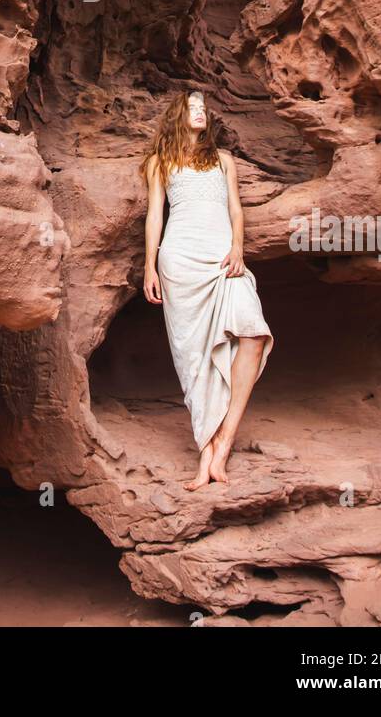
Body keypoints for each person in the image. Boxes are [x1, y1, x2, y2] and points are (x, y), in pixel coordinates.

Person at [142, 89, 273, 488]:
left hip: (221, 258)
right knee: (195, 357)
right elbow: (154, 217)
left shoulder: (224, 160)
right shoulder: (158, 162)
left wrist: (238, 247)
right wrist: (151, 266)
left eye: (203, 108)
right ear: (178, 115)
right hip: (179, 260)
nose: (200, 113)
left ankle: (225, 441)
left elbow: (235, 208)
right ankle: (207, 457)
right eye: (193, 108)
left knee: (252, 333)